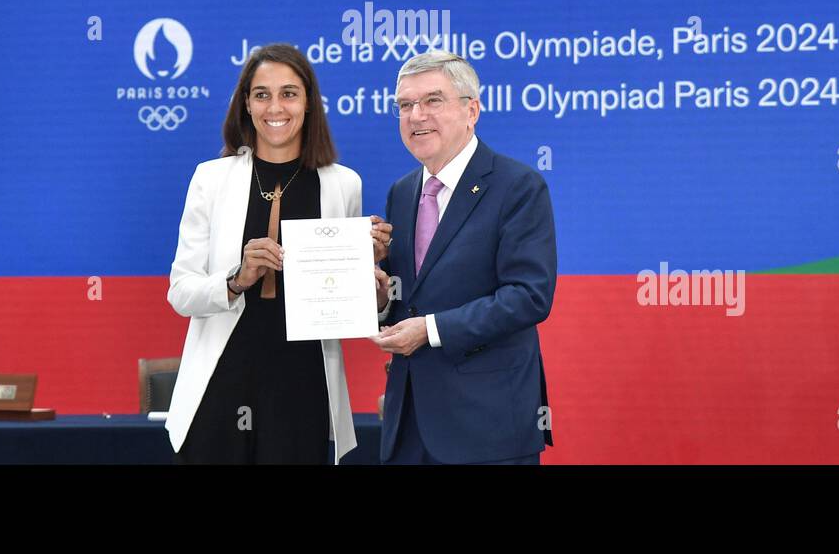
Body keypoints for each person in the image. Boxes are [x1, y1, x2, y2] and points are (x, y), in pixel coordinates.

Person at [166, 42, 386, 464]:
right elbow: (181, 293)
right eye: (261, 94)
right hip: (222, 381)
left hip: (302, 384)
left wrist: (370, 282)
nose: (275, 107)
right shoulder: (210, 180)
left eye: (289, 93)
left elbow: (352, 306)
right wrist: (236, 280)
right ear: (246, 104)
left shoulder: (343, 185)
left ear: (308, 103)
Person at [372, 50, 558, 464]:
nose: (416, 115)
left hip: (487, 426)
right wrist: (382, 297)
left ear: (471, 110)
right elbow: (406, 301)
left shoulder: (519, 186)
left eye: (432, 100)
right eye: (405, 105)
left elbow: (529, 296)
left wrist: (431, 329)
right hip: (409, 425)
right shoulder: (401, 192)